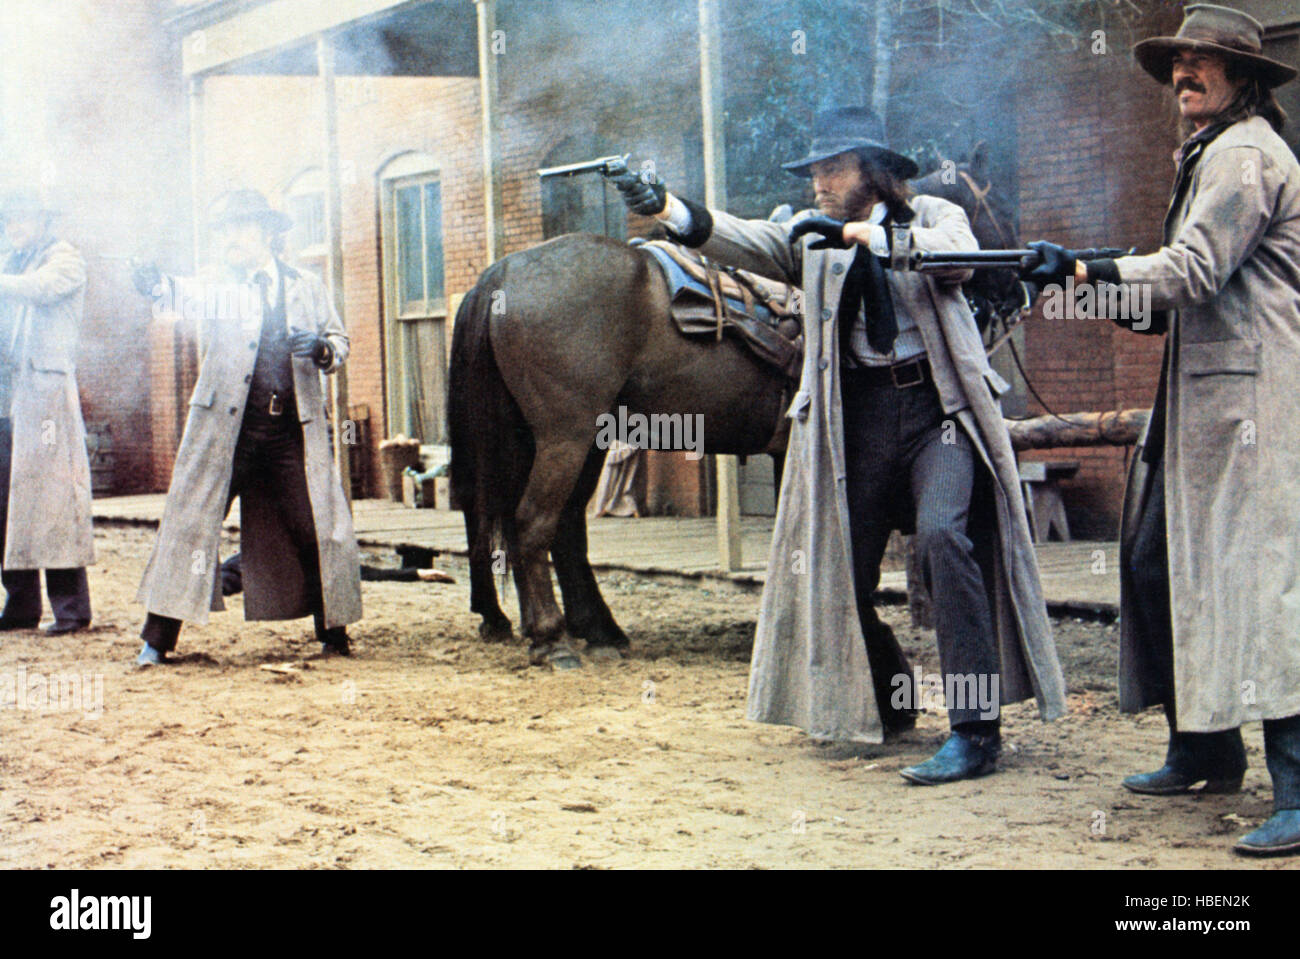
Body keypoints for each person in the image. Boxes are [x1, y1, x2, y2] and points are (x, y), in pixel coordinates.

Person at [608, 107, 1065, 783]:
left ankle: (975, 730)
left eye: (832, 169)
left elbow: (952, 266)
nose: (819, 182)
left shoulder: (936, 214)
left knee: (944, 536)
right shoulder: (809, 235)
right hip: (860, 418)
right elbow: (739, 238)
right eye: (815, 171)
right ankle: (884, 695)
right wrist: (666, 206)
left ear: (872, 171)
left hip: (938, 411)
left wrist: (861, 235)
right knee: (834, 563)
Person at [1023, 4, 1300, 855]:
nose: (1186, 73)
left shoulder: (1247, 156)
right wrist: (1083, 281)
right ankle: (1205, 748)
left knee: (1260, 584)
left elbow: (1193, 269)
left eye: (1204, 62)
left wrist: (1083, 266)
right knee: (1153, 560)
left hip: (1254, 399)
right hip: (1206, 398)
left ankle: (1297, 785)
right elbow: (1180, 294)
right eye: (1180, 61)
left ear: (1244, 78)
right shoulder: (1210, 153)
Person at [131, 189, 362, 666]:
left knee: (318, 525)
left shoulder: (305, 285)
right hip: (225, 431)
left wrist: (321, 348)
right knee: (191, 522)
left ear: (267, 234)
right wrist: (153, 283)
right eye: (223, 229)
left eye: (239, 227)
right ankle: (156, 640)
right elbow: (177, 293)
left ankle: (334, 633)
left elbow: (339, 341)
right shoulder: (218, 285)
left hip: (289, 432)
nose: (229, 238)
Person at [0, 188, 94, 635]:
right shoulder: (9, 262)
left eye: (20, 220)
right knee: (7, 502)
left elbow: (38, 291)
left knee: (56, 499)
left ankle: (72, 610)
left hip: (46, 390)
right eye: (8, 221)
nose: (12, 228)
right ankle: (20, 605)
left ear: (42, 222)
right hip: (9, 393)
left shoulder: (66, 259)